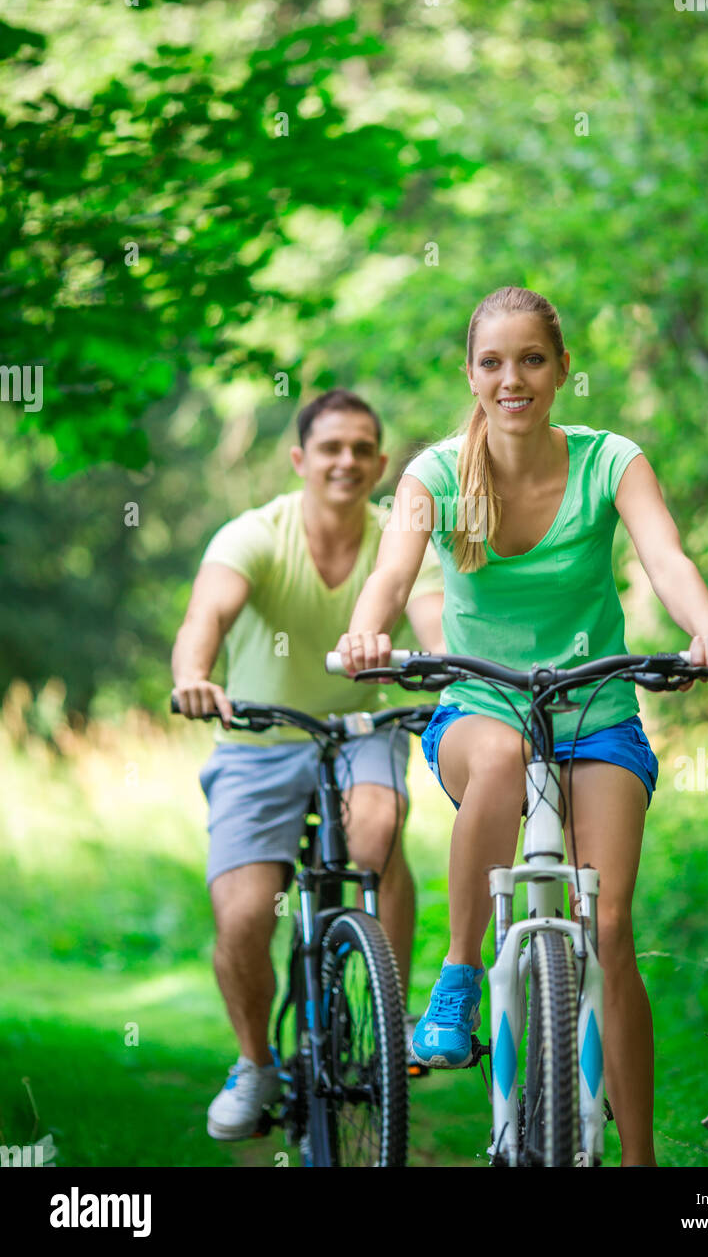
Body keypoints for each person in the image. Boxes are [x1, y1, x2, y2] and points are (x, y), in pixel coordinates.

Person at [335, 286, 708, 1168]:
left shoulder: (611, 461)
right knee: (506, 749)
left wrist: (704, 628)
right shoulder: (435, 474)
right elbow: (392, 574)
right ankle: (456, 980)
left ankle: (640, 1158)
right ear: (472, 375)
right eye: (493, 362)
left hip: (598, 715)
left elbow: (664, 554)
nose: (512, 378)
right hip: (481, 711)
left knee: (609, 929)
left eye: (531, 360)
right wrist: (368, 631)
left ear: (562, 369)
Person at [172, 389, 444, 1141]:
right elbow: (205, 618)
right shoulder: (254, 535)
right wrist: (196, 677)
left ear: (381, 463)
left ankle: (387, 1016)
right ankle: (257, 1063)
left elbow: (432, 615)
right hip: (257, 741)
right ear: (300, 459)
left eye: (363, 449)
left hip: (363, 727)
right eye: (331, 448)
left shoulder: (398, 536)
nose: (347, 461)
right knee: (245, 915)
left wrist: (454, 672)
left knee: (377, 832)